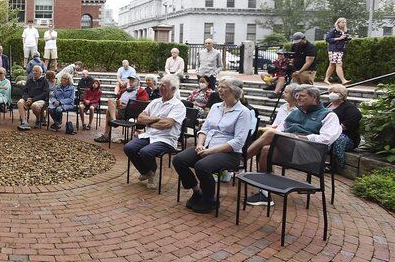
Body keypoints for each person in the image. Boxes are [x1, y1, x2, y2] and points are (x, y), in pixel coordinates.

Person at [245, 85, 341, 206]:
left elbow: (326, 139)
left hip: (311, 154)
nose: (298, 98)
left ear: (314, 97)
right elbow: (280, 129)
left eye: (302, 95)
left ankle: (241, 160)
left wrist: (297, 137)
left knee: (270, 134)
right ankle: (265, 194)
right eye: (296, 95)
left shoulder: (329, 115)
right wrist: (288, 136)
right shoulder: (295, 113)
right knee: (266, 150)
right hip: (290, 149)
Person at [172, 78, 253, 214]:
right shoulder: (216, 107)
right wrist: (199, 144)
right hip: (207, 146)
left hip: (229, 153)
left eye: (223, 87)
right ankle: (197, 191)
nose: (219, 90)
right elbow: (204, 129)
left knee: (202, 166)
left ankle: (210, 199)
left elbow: (238, 142)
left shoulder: (243, 112)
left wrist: (210, 151)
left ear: (234, 91)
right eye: (219, 87)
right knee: (179, 160)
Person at [124, 75, 187, 189]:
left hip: (166, 139)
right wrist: (157, 119)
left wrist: (149, 122)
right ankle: (148, 172)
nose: (160, 87)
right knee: (129, 148)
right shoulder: (155, 102)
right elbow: (140, 118)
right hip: (150, 135)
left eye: (164, 85)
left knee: (145, 152)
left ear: (173, 89)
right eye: (160, 85)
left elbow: (166, 124)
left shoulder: (178, 106)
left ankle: (153, 171)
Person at [94, 75, 149, 143]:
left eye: (133, 80)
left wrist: (127, 106)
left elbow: (141, 104)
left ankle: (107, 134)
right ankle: (114, 120)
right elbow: (118, 98)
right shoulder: (124, 90)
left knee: (108, 111)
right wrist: (118, 103)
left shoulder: (142, 91)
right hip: (120, 110)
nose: (131, 82)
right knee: (110, 101)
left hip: (130, 112)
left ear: (138, 82)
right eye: (130, 80)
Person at [326, 84, 361, 168]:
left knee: (338, 139)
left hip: (346, 137)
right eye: (330, 92)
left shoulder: (350, 108)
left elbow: (347, 125)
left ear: (342, 94)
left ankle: (336, 164)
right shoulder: (325, 105)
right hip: (325, 132)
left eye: (335, 92)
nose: (332, 94)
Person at [17, 65, 50, 131]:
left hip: (40, 100)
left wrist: (33, 99)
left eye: (36, 71)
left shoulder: (44, 81)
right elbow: (24, 91)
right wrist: (27, 98)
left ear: (40, 72)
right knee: (20, 102)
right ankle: (24, 122)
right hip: (29, 99)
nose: (34, 72)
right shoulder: (29, 80)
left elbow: (45, 93)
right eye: (33, 71)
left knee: (34, 106)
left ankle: (38, 119)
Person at [324, 18, 352, 85]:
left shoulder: (345, 31)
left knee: (332, 65)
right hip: (334, 49)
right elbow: (328, 39)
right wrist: (339, 38)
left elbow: (342, 40)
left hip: (340, 49)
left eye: (345, 22)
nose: (344, 24)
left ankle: (326, 79)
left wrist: (346, 38)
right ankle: (343, 80)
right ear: (338, 23)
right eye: (342, 22)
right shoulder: (334, 30)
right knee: (338, 64)